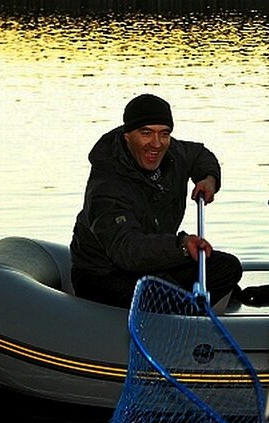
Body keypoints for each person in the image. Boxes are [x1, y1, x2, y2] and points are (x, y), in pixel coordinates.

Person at [70, 93, 242, 308]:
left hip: (154, 261)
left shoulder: (173, 152)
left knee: (228, 267)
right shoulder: (106, 186)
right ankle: (184, 318)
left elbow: (199, 155)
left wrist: (209, 178)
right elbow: (127, 249)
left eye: (164, 134)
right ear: (127, 136)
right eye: (146, 133)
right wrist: (180, 246)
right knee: (164, 295)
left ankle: (189, 309)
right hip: (106, 274)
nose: (156, 144)